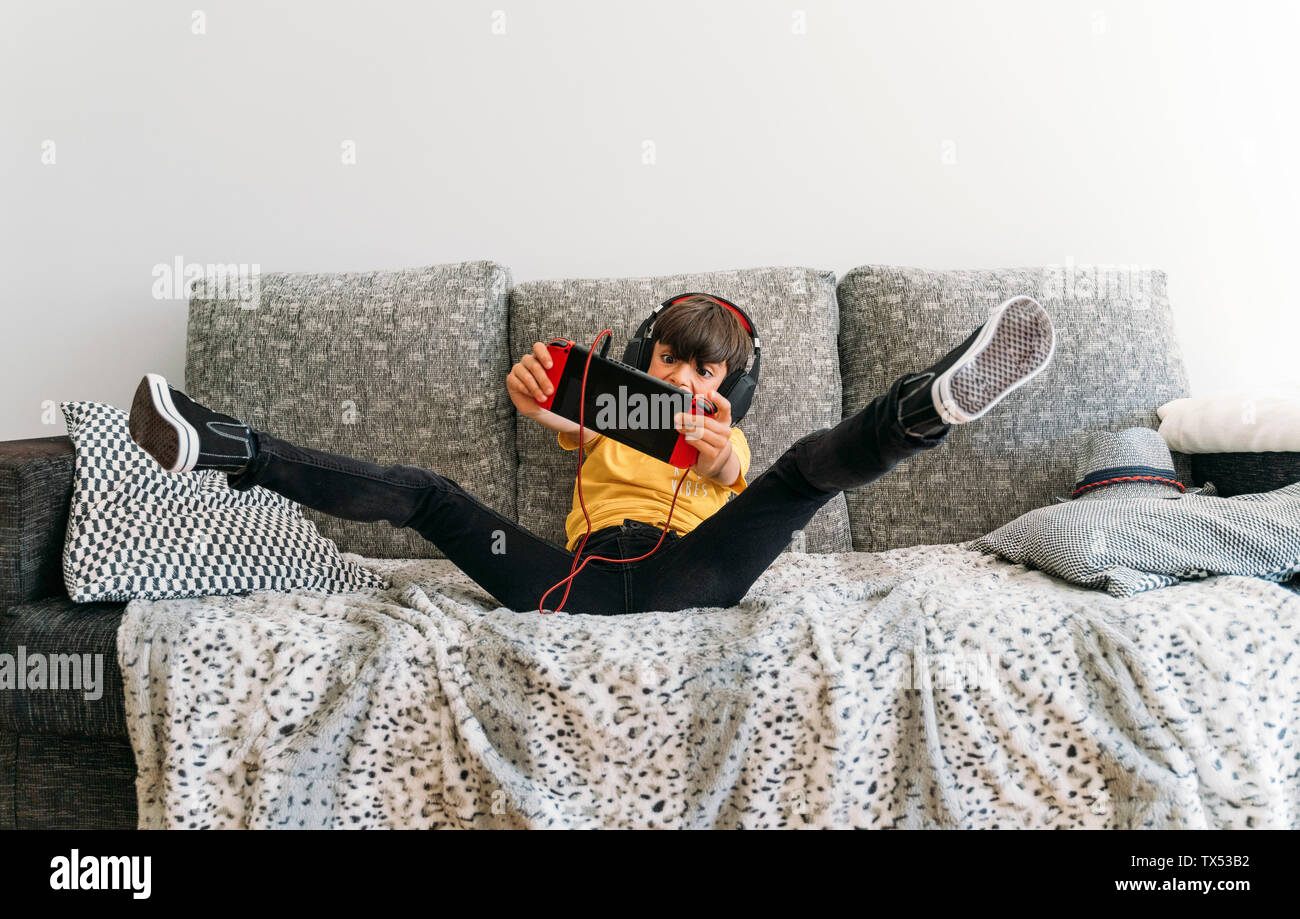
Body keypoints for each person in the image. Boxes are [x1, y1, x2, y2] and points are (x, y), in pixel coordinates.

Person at [127, 293, 1056, 615]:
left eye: (706, 369)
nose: (686, 376)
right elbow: (570, 426)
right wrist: (540, 394)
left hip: (698, 571)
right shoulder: (611, 417)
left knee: (796, 476)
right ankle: (224, 444)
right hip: (565, 585)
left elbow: (735, 469)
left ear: (729, 384)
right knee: (428, 493)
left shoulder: (722, 431)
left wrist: (717, 443)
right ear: (644, 357)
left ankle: (924, 407)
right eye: (670, 358)